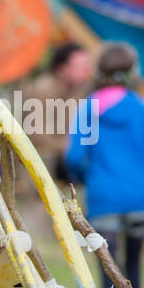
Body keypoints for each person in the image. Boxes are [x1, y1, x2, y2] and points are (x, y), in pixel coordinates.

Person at [65, 42, 144, 288]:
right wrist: (142, 173)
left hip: (103, 202)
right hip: (138, 200)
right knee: (134, 271)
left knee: (108, 275)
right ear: (133, 72)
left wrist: (86, 176)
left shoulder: (88, 109)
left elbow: (75, 158)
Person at [28, 41, 95, 182]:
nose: (85, 73)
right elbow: (37, 135)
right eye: (79, 68)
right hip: (40, 161)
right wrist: (71, 147)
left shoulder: (79, 91)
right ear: (61, 69)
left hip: (62, 159)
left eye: (86, 67)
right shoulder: (43, 90)